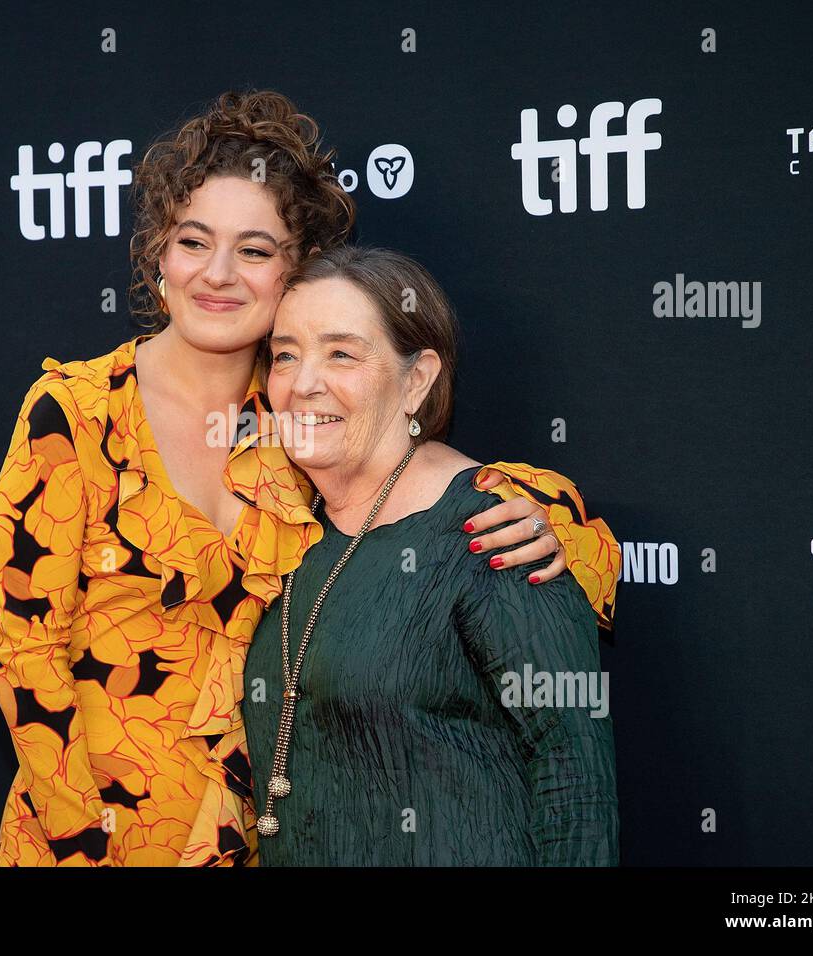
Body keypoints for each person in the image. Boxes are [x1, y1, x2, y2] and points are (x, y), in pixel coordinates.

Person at [0, 90, 619, 866]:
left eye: (254, 250)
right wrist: (82, 848)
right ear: (158, 254)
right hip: (83, 840)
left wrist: (555, 523)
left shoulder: (295, 415)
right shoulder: (75, 413)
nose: (217, 273)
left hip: (250, 839)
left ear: (294, 273)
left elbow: (418, 488)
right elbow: (28, 656)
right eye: (193, 240)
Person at [241, 244, 619, 865]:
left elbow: (576, 784)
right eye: (285, 355)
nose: (303, 383)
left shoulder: (495, 530)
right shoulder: (280, 532)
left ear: (417, 379)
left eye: (341, 353)